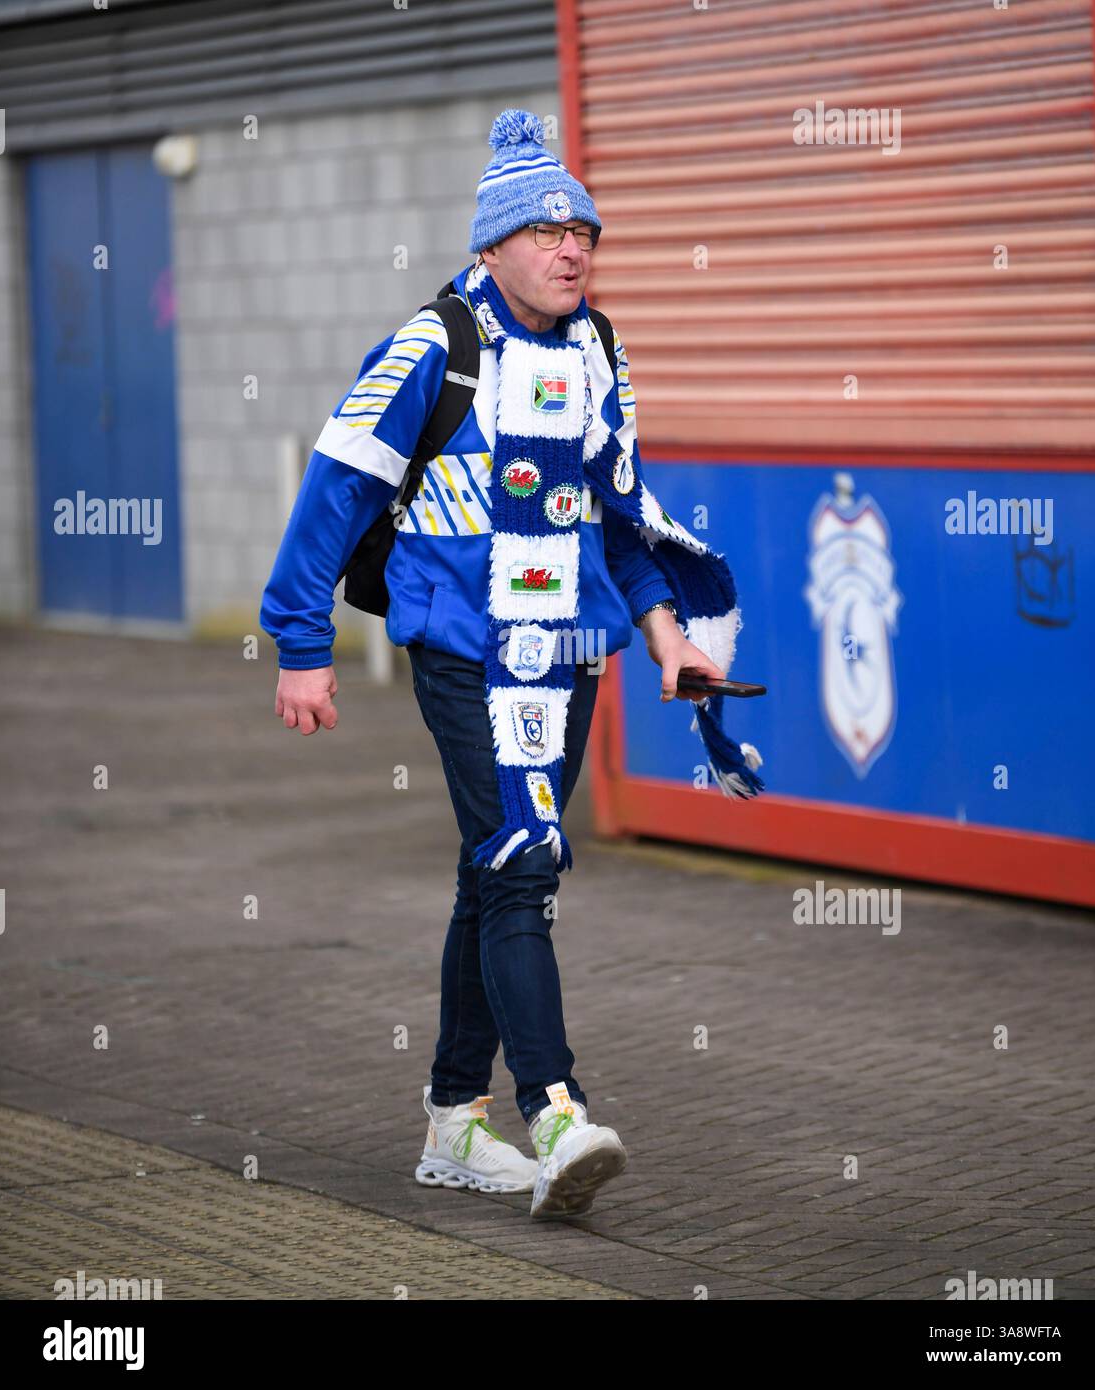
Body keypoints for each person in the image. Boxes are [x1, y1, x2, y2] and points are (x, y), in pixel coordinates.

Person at [259, 109, 762, 1221]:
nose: (571, 246)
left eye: (583, 228)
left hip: (568, 646)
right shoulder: (431, 347)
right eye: (544, 231)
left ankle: (450, 1123)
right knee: (524, 857)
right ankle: (557, 1109)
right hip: (460, 640)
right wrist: (302, 645)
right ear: (491, 247)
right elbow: (336, 487)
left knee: (492, 873)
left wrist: (663, 630)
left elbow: (617, 512)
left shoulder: (596, 347)